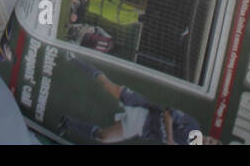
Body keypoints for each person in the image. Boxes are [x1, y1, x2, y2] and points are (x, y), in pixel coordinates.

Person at [58, 58, 202, 145]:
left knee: (103, 137)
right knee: (106, 84)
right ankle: (73, 59)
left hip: (139, 128)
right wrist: (170, 138)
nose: (208, 142)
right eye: (211, 141)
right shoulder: (194, 127)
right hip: (142, 110)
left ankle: (67, 122)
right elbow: (168, 113)